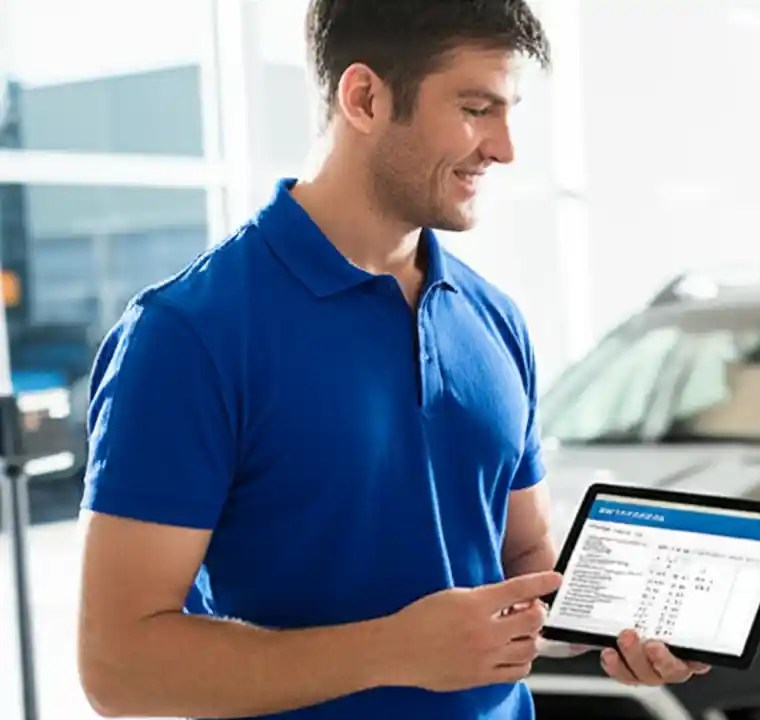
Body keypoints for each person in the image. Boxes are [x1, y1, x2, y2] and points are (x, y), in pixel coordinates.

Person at [75, 2, 707, 719]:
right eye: (476, 108)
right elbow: (118, 667)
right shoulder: (189, 334)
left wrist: (609, 621)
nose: (504, 148)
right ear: (365, 98)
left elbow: (522, 560)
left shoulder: (493, 317)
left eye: (510, 112)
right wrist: (393, 651)